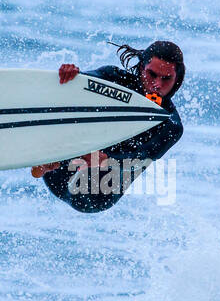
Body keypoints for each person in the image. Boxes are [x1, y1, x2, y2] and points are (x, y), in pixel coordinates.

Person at [32, 40, 185, 213]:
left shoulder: (170, 125)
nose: (157, 84)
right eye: (152, 74)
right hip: (57, 176)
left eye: (166, 79)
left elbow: (140, 157)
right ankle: (52, 161)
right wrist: (72, 76)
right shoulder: (112, 78)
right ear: (142, 67)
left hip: (97, 193)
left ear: (177, 79)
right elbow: (80, 86)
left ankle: (72, 164)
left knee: (103, 162)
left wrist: (106, 159)